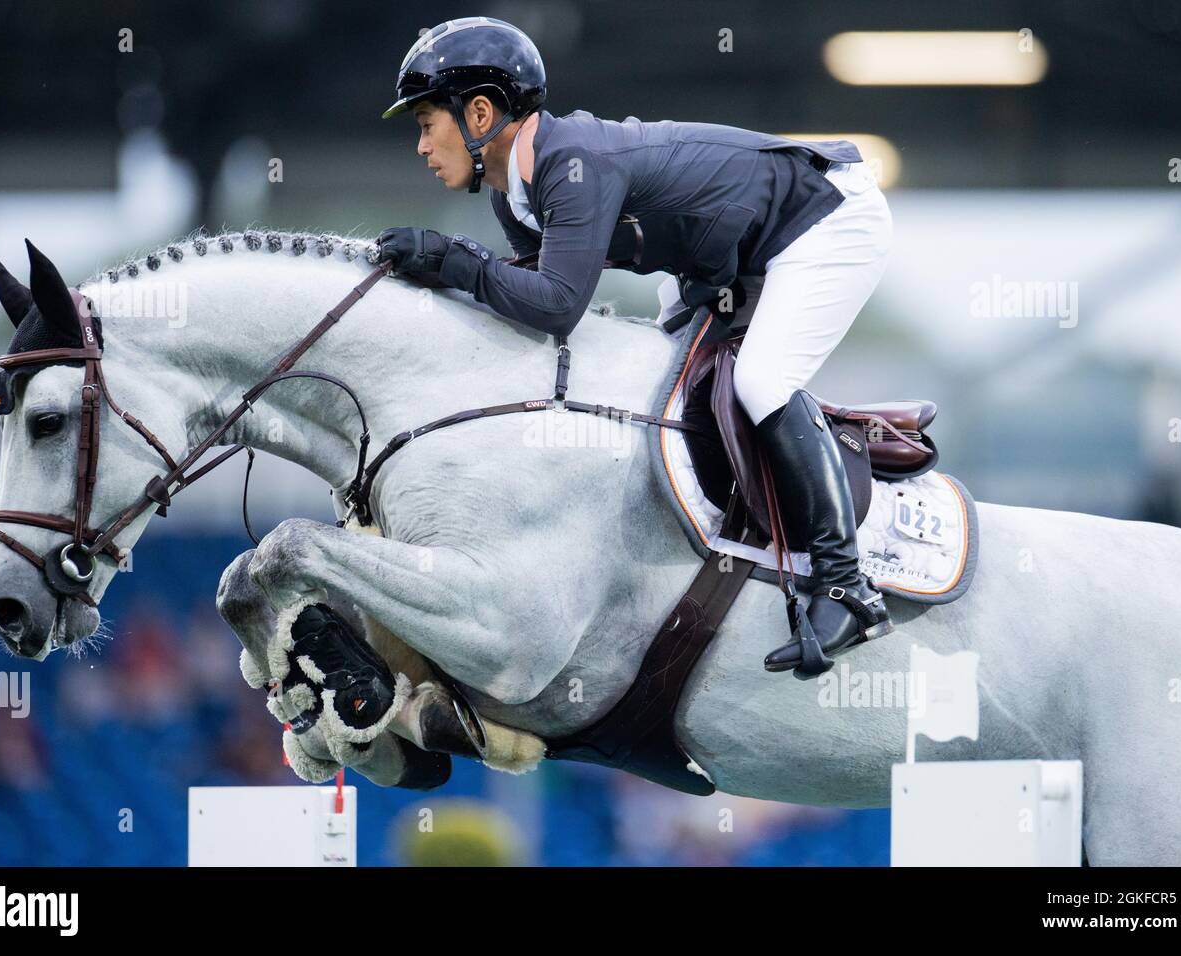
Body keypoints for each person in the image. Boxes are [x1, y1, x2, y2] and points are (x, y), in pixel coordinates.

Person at [375, 16, 894, 675]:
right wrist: (446, 273)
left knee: (761, 382)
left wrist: (454, 260)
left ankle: (846, 583)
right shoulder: (520, 194)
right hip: (732, 260)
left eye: (427, 123)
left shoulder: (570, 165)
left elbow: (559, 306)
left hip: (825, 220)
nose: (421, 145)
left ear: (480, 113)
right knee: (664, 374)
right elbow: (521, 303)